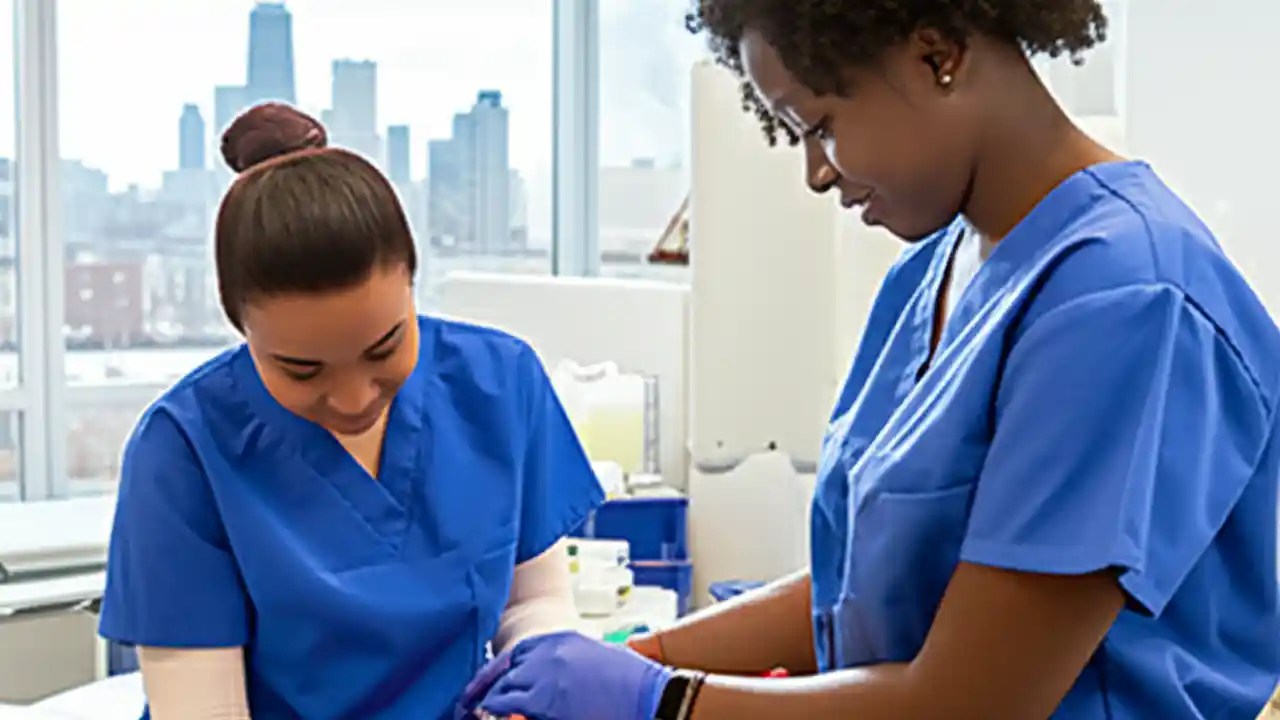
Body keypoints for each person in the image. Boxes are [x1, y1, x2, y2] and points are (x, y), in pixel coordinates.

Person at [459, 1, 1280, 718]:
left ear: (937, 54)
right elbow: (857, 591)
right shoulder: (934, 267)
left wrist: (656, 703)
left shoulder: (1128, 297)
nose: (818, 173)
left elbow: (971, 701)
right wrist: (646, 656)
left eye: (820, 126)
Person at [97, 103, 604, 720]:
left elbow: (532, 604)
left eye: (385, 348)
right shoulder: (183, 451)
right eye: (301, 370)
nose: (354, 397)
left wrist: (537, 687)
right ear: (242, 328)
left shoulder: (499, 384)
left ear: (414, 282)